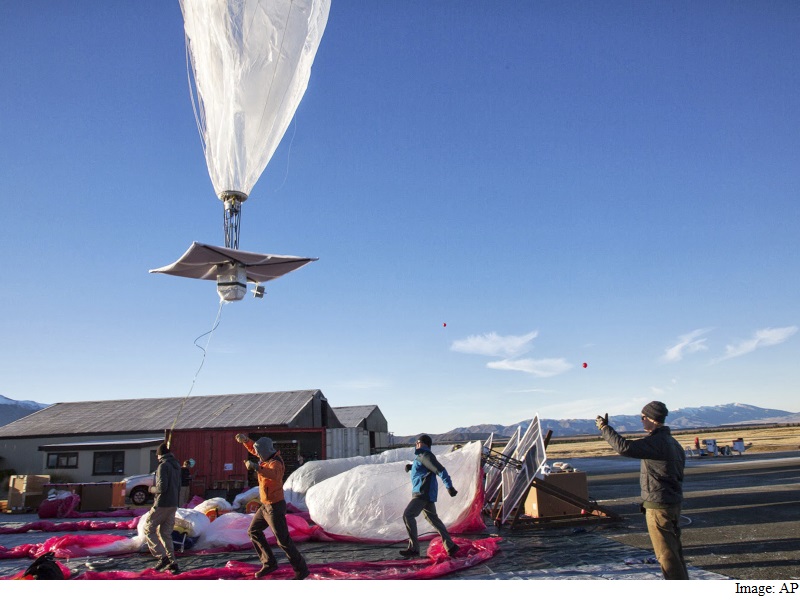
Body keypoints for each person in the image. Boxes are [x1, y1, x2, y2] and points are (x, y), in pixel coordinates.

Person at [596, 401, 689, 580]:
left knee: (665, 554)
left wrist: (605, 428)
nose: (641, 421)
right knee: (675, 550)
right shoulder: (672, 442)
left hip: (659, 506)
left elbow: (625, 447)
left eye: (643, 417)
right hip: (672, 502)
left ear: (651, 418)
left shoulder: (657, 442)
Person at [235, 433, 310, 580]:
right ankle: (269, 563)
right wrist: (246, 441)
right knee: (253, 531)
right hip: (265, 506)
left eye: (259, 453)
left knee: (283, 540)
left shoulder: (276, 463)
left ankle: (301, 570)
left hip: (275, 507)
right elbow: (255, 449)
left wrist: (256, 467)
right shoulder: (266, 457)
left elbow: (273, 474)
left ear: (265, 452)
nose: (257, 455)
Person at [400, 434, 460, 558]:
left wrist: (449, 487)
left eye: (419, 442)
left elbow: (440, 470)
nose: (416, 444)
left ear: (425, 444)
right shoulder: (421, 456)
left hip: (422, 493)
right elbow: (424, 468)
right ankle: (451, 546)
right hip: (424, 493)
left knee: (408, 515)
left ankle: (414, 548)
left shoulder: (425, 455)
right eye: (416, 442)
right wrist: (411, 467)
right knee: (434, 520)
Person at [144, 442, 182, 574]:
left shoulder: (163, 466)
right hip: (173, 504)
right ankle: (173, 563)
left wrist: (151, 489)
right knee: (165, 533)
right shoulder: (176, 466)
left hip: (162, 503)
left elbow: (162, 487)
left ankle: (163, 557)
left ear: (159, 455)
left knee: (148, 529)